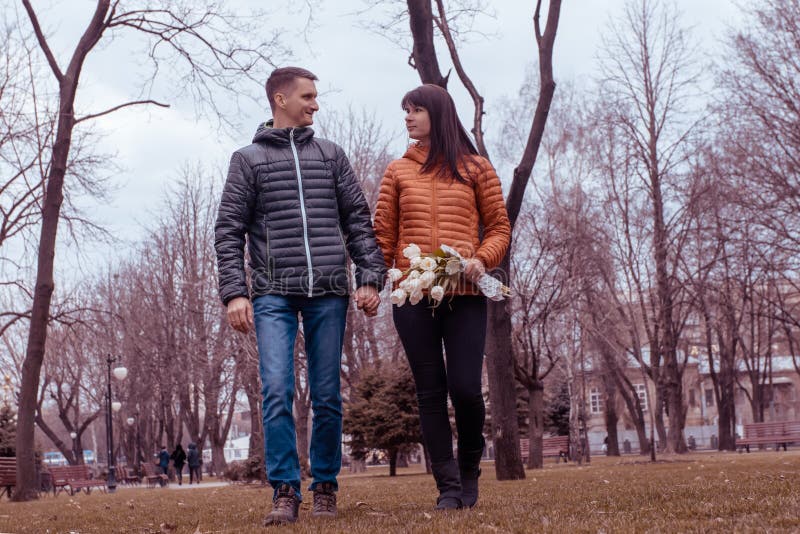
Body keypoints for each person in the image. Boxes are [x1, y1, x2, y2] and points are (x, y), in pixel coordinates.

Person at [214, 66, 386, 525]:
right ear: (280, 100)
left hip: (329, 292)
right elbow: (228, 231)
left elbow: (358, 221)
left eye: (316, 96)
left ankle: (325, 488)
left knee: (328, 394)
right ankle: (285, 491)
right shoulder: (247, 160)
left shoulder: (331, 155)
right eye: (308, 96)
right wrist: (235, 292)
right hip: (273, 294)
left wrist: (369, 277)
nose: (315, 104)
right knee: (276, 390)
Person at [373, 84, 511, 510]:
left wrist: (481, 259)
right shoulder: (397, 171)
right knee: (429, 391)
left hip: (465, 294)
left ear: (437, 113)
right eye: (405, 111)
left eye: (415, 110)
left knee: (466, 388)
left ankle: (470, 469)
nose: (408, 118)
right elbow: (382, 236)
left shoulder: (477, 169)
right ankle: (448, 488)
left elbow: (500, 229)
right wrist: (372, 282)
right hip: (413, 296)